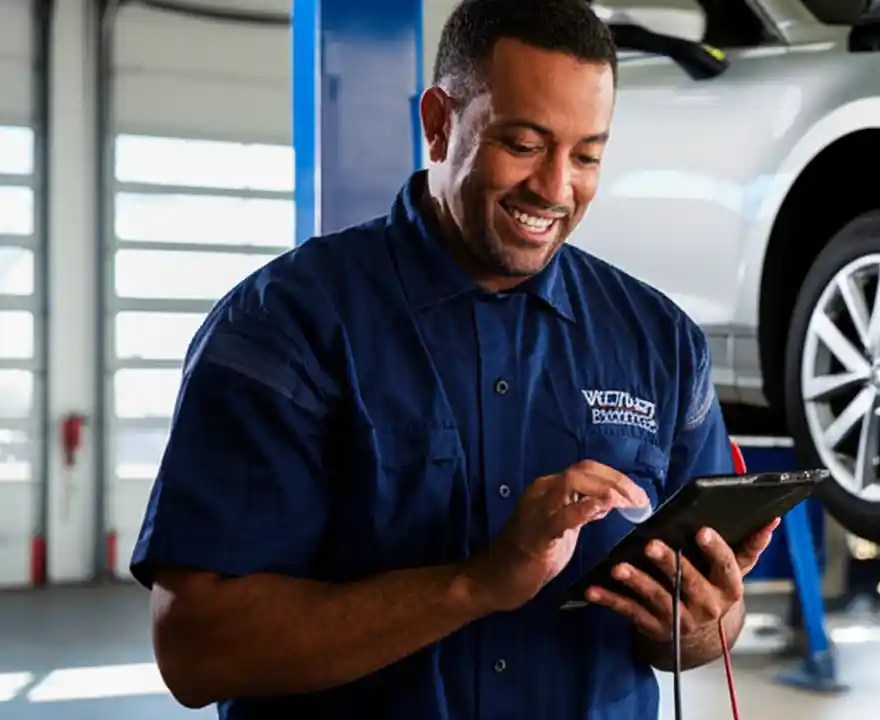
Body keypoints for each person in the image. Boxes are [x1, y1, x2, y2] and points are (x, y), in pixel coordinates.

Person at [129, 0, 779, 717]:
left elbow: (710, 627)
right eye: (523, 144)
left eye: (587, 155)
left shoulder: (660, 342)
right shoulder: (285, 326)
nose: (555, 188)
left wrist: (696, 623)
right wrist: (475, 584)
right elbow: (195, 650)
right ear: (439, 123)